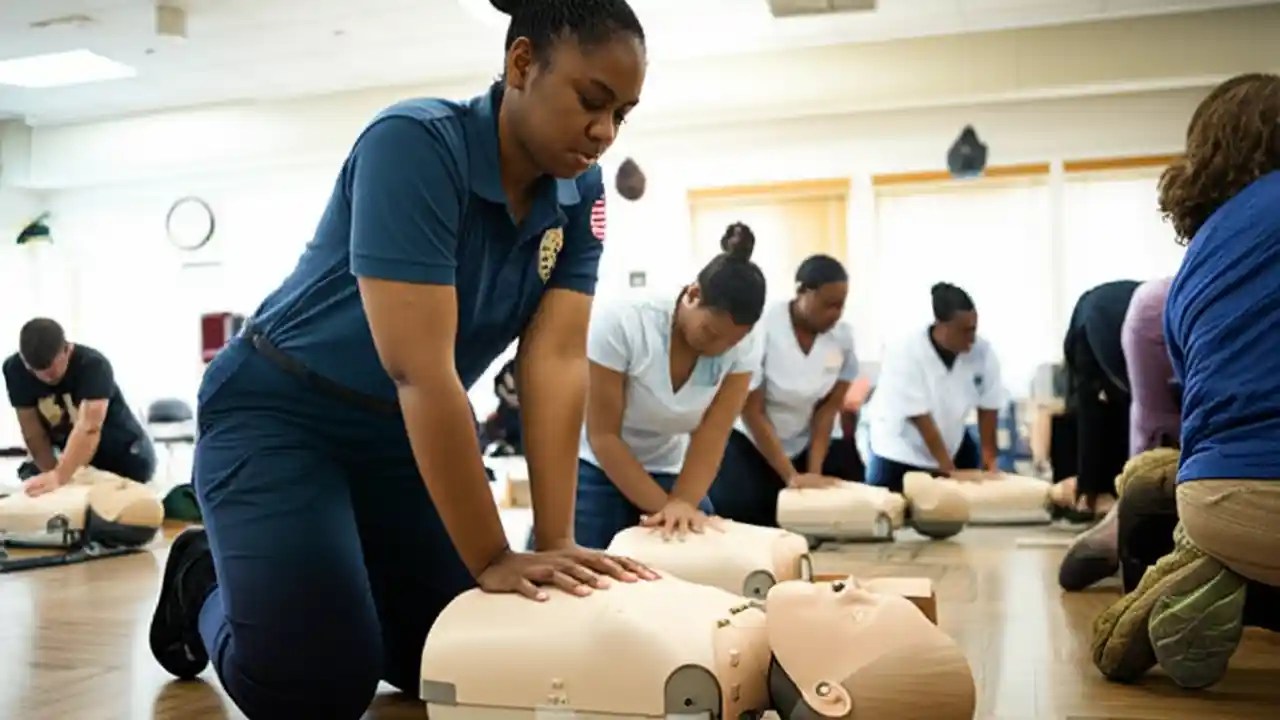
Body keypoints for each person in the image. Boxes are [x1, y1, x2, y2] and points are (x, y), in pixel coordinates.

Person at [143, 3, 655, 718]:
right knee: (314, 687)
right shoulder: (413, 145)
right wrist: (491, 557)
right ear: (520, 65)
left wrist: (555, 538)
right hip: (279, 413)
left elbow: (556, 362)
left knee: (453, 656)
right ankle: (203, 581)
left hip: (393, 432)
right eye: (591, 102)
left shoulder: (580, 196)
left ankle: (334, 582)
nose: (604, 133)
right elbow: (421, 369)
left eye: (622, 115)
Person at [1093, 72, 1280, 690]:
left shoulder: (1190, 267)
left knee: (1149, 479)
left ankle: (1214, 568)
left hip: (1209, 503)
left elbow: (1175, 411)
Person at [576, 222, 766, 548]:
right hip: (597, 465)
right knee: (595, 565)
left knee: (698, 552)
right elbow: (603, 435)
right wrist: (666, 509)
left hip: (669, 465)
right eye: (710, 333)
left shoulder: (743, 344)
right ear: (692, 295)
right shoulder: (624, 322)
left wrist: (684, 503)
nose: (719, 348)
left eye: (732, 341)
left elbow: (713, 432)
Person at [707, 255, 861, 528]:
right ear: (802, 290)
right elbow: (752, 411)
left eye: (841, 306)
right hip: (751, 441)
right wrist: (791, 476)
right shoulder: (764, 327)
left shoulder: (842, 337)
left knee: (840, 493)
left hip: (803, 439)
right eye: (828, 304)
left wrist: (812, 475)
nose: (836, 313)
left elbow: (826, 411)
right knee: (751, 511)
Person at [1059, 277, 1181, 591]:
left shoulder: (1151, 308)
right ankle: (1110, 509)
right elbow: (1135, 419)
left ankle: (1114, 514)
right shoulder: (1144, 312)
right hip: (1117, 324)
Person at [864, 282, 1003, 494]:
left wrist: (989, 461)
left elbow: (988, 408)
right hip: (899, 451)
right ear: (941, 325)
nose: (972, 338)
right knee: (890, 511)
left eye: (974, 329)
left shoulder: (982, 352)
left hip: (951, 443)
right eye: (964, 331)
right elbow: (921, 420)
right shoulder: (905, 352)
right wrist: (948, 471)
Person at [2, 317, 155, 491]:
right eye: (36, 372)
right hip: (70, 455)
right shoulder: (15, 370)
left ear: (67, 349)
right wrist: (51, 475)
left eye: (52, 373)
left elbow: (89, 428)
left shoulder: (93, 366)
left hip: (124, 454)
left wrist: (60, 477)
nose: (45, 379)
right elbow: (32, 432)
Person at [1059, 280, 1141, 519]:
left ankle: (1094, 494)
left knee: (1115, 409)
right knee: (1102, 409)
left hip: (1108, 317)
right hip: (1101, 320)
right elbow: (1089, 412)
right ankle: (1092, 494)